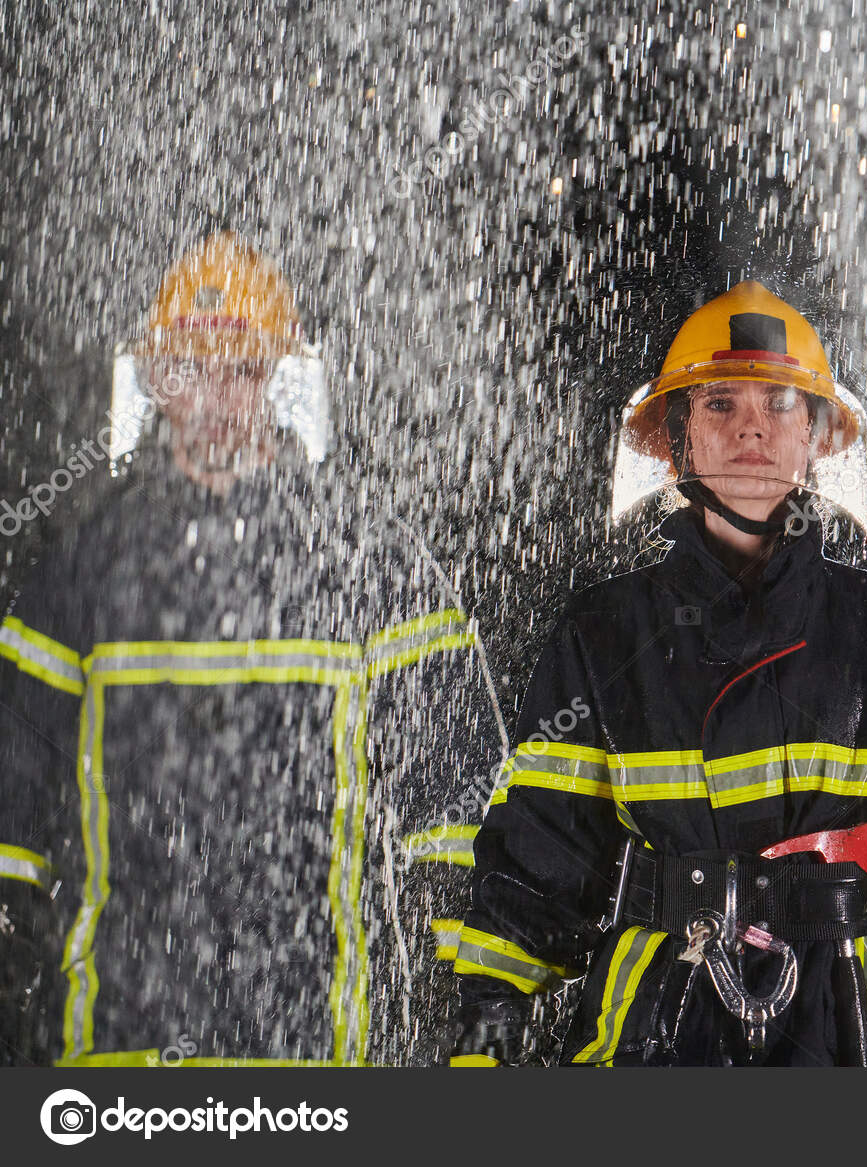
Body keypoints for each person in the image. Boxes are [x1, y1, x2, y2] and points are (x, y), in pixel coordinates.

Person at [449, 280, 867, 1067]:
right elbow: (535, 859)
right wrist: (488, 1032)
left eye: (781, 405)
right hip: (658, 1028)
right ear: (677, 438)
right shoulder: (601, 634)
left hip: (858, 1030)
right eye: (718, 404)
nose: (751, 428)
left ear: (818, 438)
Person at [0, 231, 504, 1066]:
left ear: (276, 378)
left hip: (326, 1056)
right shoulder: (82, 574)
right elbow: (13, 793)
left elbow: (461, 802)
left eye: (241, 368)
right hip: (121, 1058)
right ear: (156, 380)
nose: (218, 397)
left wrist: (470, 993)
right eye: (193, 368)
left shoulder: (373, 561)